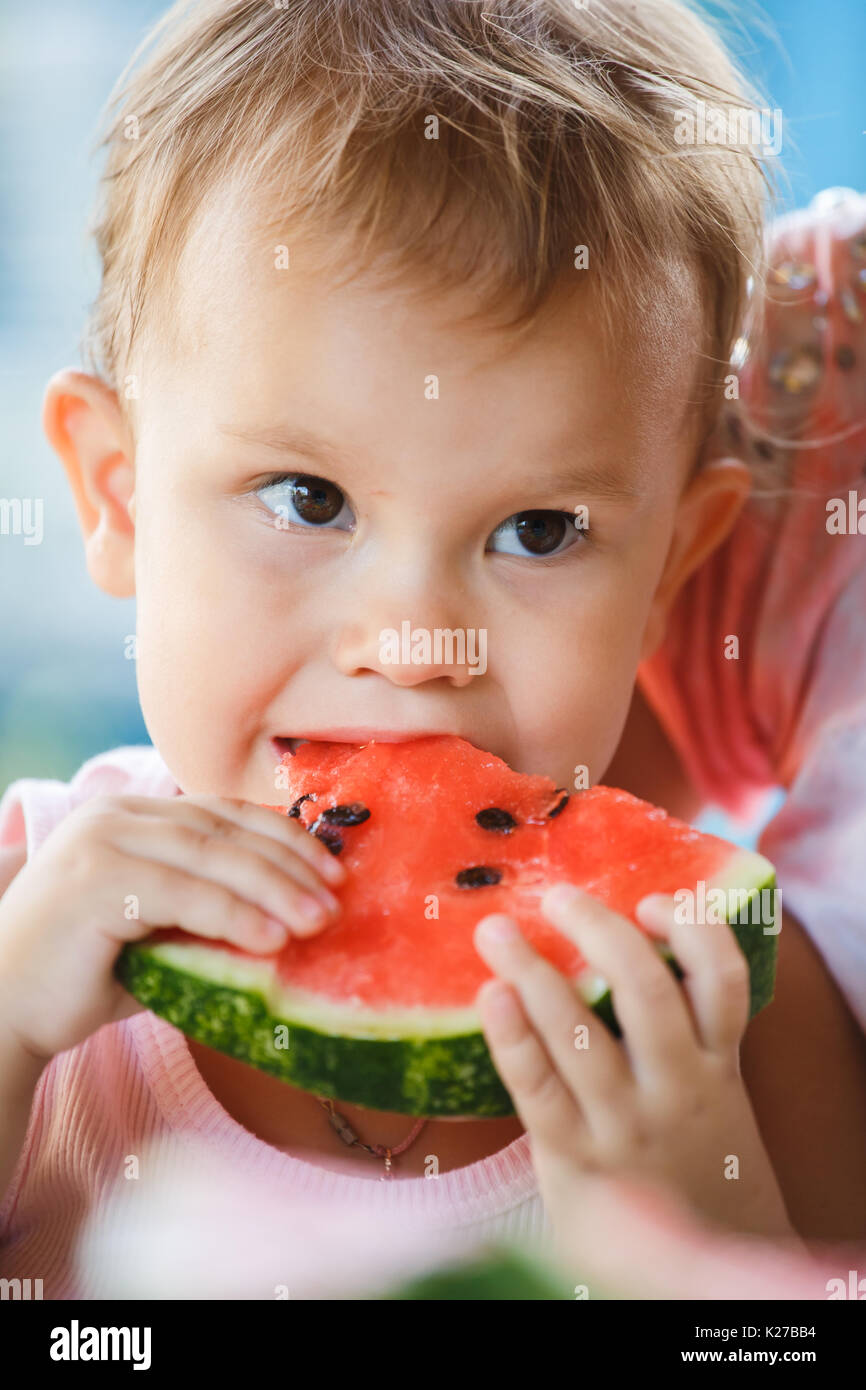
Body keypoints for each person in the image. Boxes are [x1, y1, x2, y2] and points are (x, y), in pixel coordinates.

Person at [1, 0, 865, 1298]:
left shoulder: (735, 999)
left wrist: (710, 1240)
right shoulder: (27, 904)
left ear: (667, 573)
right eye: (306, 498)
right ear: (118, 496)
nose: (415, 643)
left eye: (536, 529)